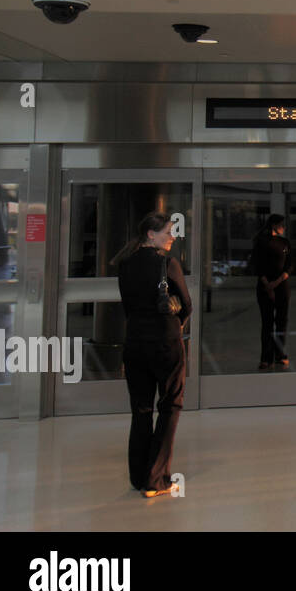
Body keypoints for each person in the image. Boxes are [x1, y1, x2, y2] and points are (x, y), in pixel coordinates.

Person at [112, 211, 190, 498]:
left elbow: (128, 306)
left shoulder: (125, 264)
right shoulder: (167, 263)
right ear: (150, 234)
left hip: (134, 344)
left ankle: (138, 475)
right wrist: (176, 324)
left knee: (141, 409)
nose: (171, 237)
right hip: (165, 343)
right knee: (170, 406)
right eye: (167, 232)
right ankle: (156, 480)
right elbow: (186, 304)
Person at [250, 214, 292, 370]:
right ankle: (266, 357)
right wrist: (268, 285)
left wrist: (277, 282)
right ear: (275, 225)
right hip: (265, 286)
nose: (284, 228)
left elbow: (289, 265)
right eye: (282, 225)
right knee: (267, 323)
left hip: (281, 286)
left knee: (281, 321)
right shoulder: (261, 242)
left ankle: (280, 354)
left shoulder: (285, 243)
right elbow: (257, 265)